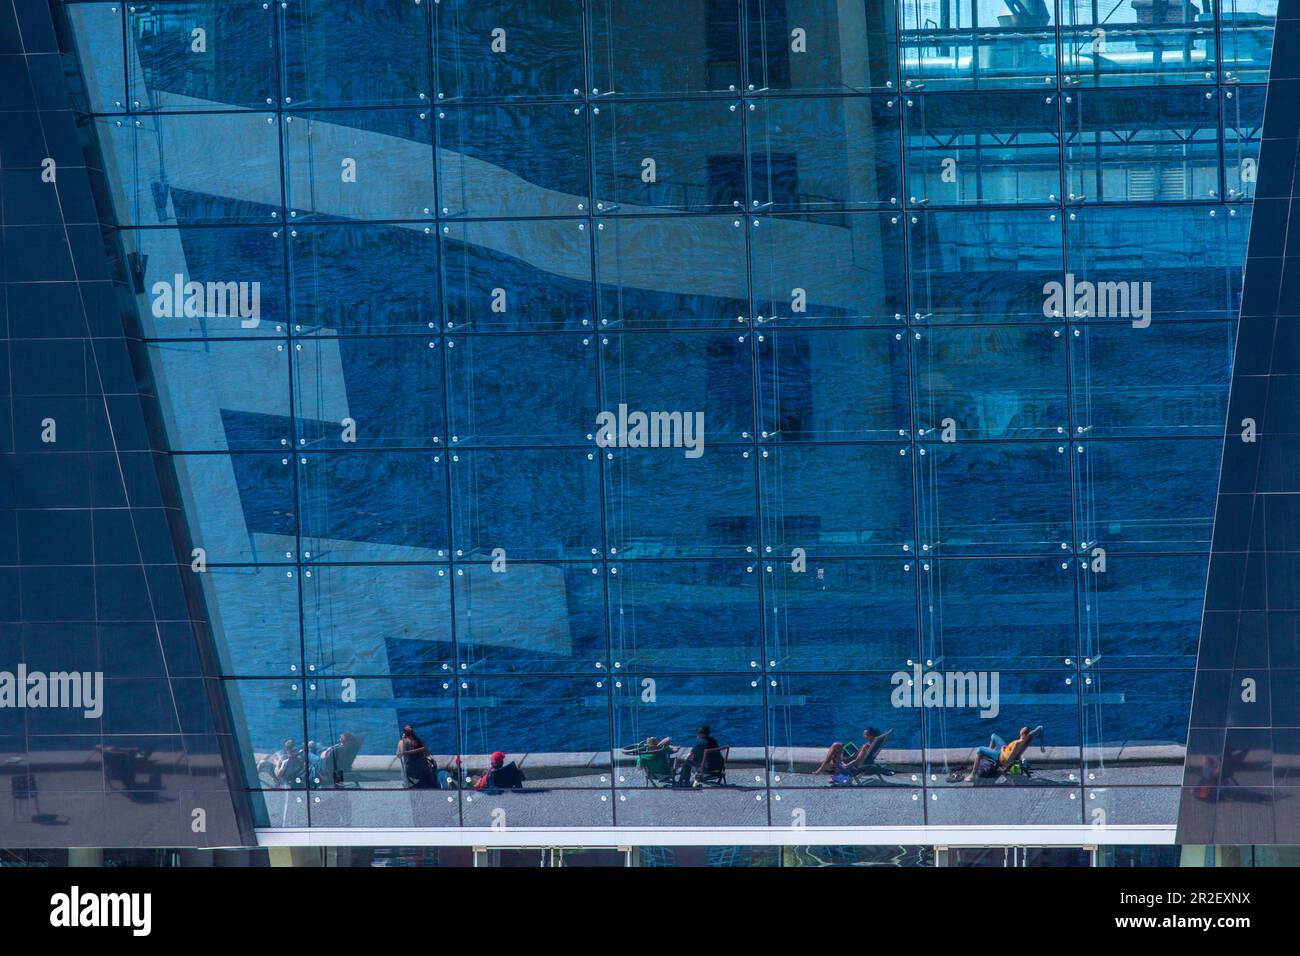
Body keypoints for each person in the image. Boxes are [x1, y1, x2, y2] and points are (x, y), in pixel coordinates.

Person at [963, 726, 1038, 782]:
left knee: (979, 750)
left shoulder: (1017, 744)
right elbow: (1039, 729)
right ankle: (990, 760)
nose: (1021, 728)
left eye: (1023, 729)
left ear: (1024, 734)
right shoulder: (1025, 741)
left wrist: (1002, 750)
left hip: (1001, 757)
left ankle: (972, 775)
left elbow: (1008, 760)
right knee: (993, 736)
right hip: (1005, 750)